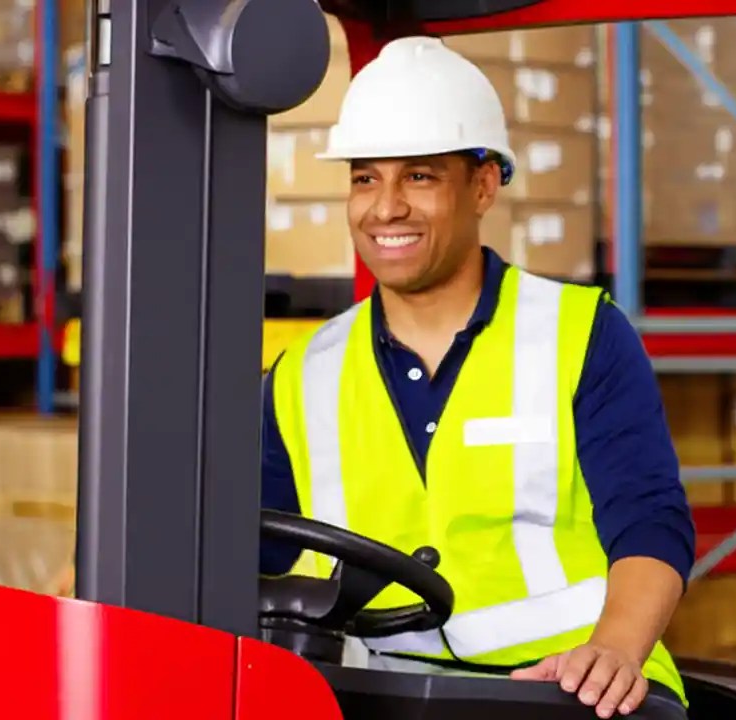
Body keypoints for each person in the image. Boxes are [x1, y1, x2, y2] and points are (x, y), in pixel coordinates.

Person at [259, 36, 695, 719]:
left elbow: (650, 522)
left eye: (420, 177)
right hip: (372, 692)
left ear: (484, 185)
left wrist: (613, 649)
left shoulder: (581, 334)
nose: (386, 208)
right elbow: (240, 543)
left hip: (561, 689)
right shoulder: (301, 373)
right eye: (366, 177)